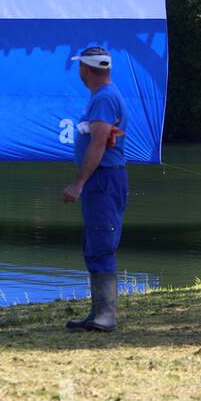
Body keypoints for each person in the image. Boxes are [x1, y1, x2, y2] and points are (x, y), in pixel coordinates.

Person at [61, 46, 127, 332]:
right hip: (102, 179)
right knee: (95, 243)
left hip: (103, 179)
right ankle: (97, 312)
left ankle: (106, 315)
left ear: (85, 70)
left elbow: (98, 144)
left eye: (79, 68)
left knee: (102, 242)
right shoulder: (102, 98)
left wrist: (78, 183)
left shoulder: (105, 100)